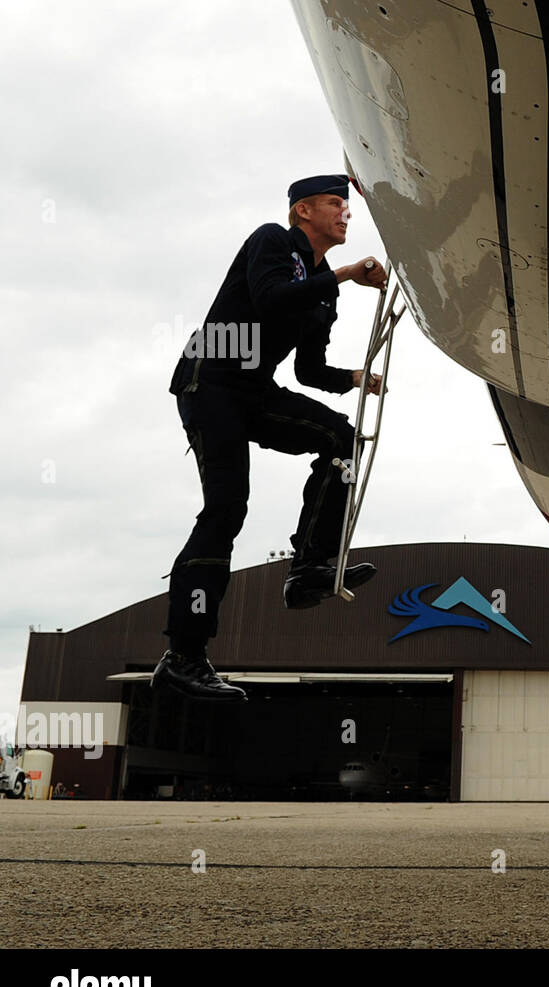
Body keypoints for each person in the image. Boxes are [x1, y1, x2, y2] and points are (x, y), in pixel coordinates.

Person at [153, 175, 388, 702]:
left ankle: (309, 568)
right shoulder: (272, 241)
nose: (346, 214)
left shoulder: (324, 287)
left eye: (346, 206)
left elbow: (309, 370)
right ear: (303, 210)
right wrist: (347, 274)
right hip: (210, 381)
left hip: (255, 391)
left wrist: (355, 378)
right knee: (226, 509)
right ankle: (183, 656)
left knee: (341, 438)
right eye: (335, 204)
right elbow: (271, 297)